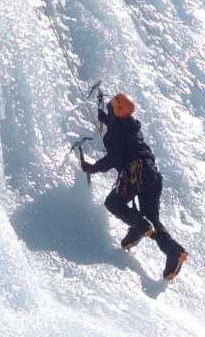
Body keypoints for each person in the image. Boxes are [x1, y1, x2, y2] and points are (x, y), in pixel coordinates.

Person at [80, 93, 188, 284]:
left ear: (115, 110)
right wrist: (105, 118)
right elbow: (120, 126)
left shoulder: (115, 133)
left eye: (110, 107)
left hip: (135, 173)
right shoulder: (131, 125)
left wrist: (92, 167)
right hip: (152, 175)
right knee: (152, 219)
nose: (109, 108)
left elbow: (114, 158)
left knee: (113, 202)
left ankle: (138, 226)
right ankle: (173, 250)